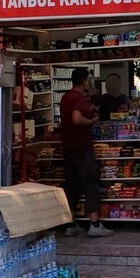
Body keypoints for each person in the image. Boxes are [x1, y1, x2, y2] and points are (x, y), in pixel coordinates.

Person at [60, 68, 113, 237]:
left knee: (71, 185)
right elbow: (76, 118)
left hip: (68, 148)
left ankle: (70, 224)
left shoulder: (65, 97)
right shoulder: (78, 98)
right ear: (84, 81)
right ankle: (95, 224)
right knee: (91, 182)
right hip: (82, 147)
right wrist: (91, 121)